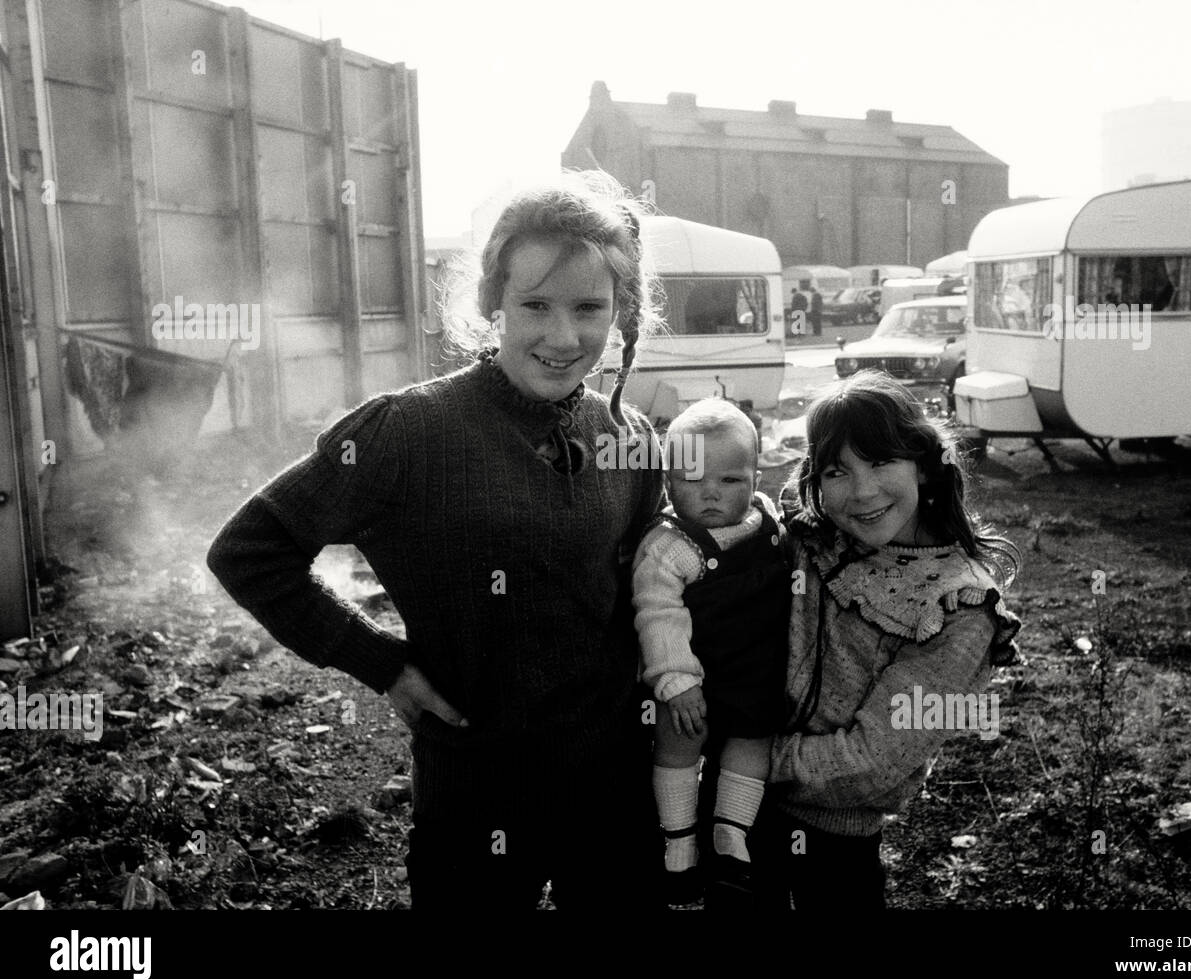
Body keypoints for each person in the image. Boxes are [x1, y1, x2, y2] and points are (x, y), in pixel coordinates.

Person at [206, 170, 667, 913]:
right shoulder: (407, 433)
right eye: (535, 305)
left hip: (611, 788)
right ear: (492, 303)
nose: (563, 336)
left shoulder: (629, 438)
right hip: (475, 794)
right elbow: (250, 551)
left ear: (621, 311)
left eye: (589, 308)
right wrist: (381, 662)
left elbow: (650, 591)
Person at [750, 369, 1022, 911]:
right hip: (737, 813)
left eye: (879, 461)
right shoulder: (812, 541)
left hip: (834, 846)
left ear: (922, 462)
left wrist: (747, 756)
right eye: (837, 471)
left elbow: (875, 762)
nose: (863, 492)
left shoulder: (960, 608)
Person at [632, 398, 791, 903]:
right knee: (678, 739)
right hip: (691, 678)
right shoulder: (670, 545)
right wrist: (676, 681)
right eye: (692, 480)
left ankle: (731, 832)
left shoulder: (770, 526)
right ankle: (678, 841)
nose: (711, 495)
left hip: (753, 673)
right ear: (668, 484)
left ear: (756, 479)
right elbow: (658, 614)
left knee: (754, 740)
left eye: (729, 481)